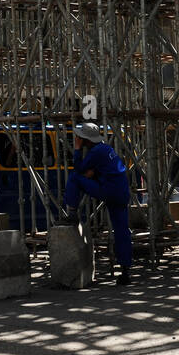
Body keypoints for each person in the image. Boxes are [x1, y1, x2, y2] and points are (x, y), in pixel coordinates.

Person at [58, 121, 133, 285]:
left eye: (80, 138)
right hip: (121, 192)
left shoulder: (96, 152)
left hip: (108, 191)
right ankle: (125, 270)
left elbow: (79, 169)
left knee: (74, 178)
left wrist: (77, 149)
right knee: (121, 230)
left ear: (87, 140)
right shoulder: (106, 149)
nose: (78, 139)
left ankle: (72, 213)